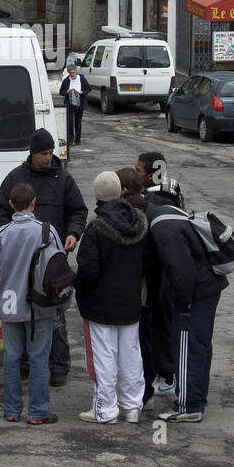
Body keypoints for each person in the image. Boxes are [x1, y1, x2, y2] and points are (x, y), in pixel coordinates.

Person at [0, 126, 88, 386]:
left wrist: (73, 233)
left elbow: (78, 210)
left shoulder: (63, 179)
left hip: (53, 262)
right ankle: (24, 364)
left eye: (51, 152)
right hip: (21, 262)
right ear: (33, 153)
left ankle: (59, 367)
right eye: (44, 153)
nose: (49, 157)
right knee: (23, 312)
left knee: (55, 314)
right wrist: (9, 238)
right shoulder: (16, 178)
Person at [0, 183, 70, 425]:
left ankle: (12, 409)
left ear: (11, 204)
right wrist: (61, 307)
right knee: (38, 359)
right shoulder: (47, 231)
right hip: (40, 306)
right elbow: (59, 271)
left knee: (12, 358)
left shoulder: (2, 234)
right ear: (34, 202)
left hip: (10, 304)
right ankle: (37, 412)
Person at [145, 197, 228, 423]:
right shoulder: (167, 212)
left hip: (195, 293)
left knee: (186, 347)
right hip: (209, 287)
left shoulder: (162, 229)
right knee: (200, 346)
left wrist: (181, 304)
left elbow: (182, 271)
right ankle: (197, 399)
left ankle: (188, 405)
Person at [74, 171, 147, 424]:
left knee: (103, 356)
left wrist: (79, 288)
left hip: (100, 304)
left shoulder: (96, 229)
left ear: (97, 196)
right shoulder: (138, 224)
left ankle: (105, 409)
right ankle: (132, 406)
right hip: (130, 301)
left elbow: (88, 270)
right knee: (130, 354)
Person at [119, 167, 176, 405]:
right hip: (156, 288)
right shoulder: (152, 208)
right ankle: (152, 383)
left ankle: (144, 390)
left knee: (141, 340)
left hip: (145, 291)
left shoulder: (136, 216)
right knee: (150, 336)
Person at [59, 64, 91, 146]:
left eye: (73, 72)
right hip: (69, 104)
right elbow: (61, 92)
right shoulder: (66, 80)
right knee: (69, 122)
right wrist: (67, 92)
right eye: (70, 73)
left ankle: (78, 140)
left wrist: (82, 92)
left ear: (76, 71)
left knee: (78, 122)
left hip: (80, 103)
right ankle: (70, 140)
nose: (72, 74)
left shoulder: (82, 79)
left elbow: (88, 89)